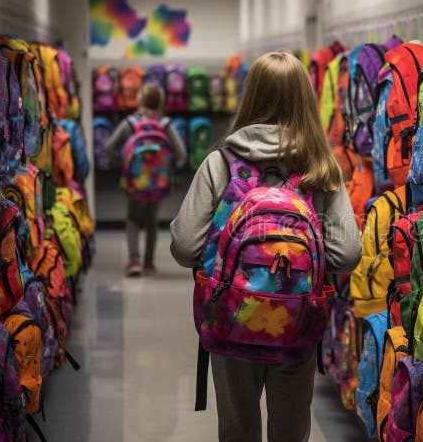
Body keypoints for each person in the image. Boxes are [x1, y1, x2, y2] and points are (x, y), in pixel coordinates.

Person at [170, 52, 361, 442]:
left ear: (251, 95)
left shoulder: (220, 164)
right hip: (297, 322)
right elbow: (347, 255)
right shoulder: (320, 167)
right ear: (305, 99)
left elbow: (185, 247)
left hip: (230, 319)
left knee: (238, 431)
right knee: (291, 431)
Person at [104, 82, 186, 277]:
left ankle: (134, 261)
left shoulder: (130, 123)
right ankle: (149, 263)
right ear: (160, 103)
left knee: (133, 218)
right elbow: (181, 153)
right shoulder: (165, 124)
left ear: (140, 99)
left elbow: (108, 148)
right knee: (151, 220)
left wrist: (123, 164)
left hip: (135, 180)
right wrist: (168, 166)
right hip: (159, 180)